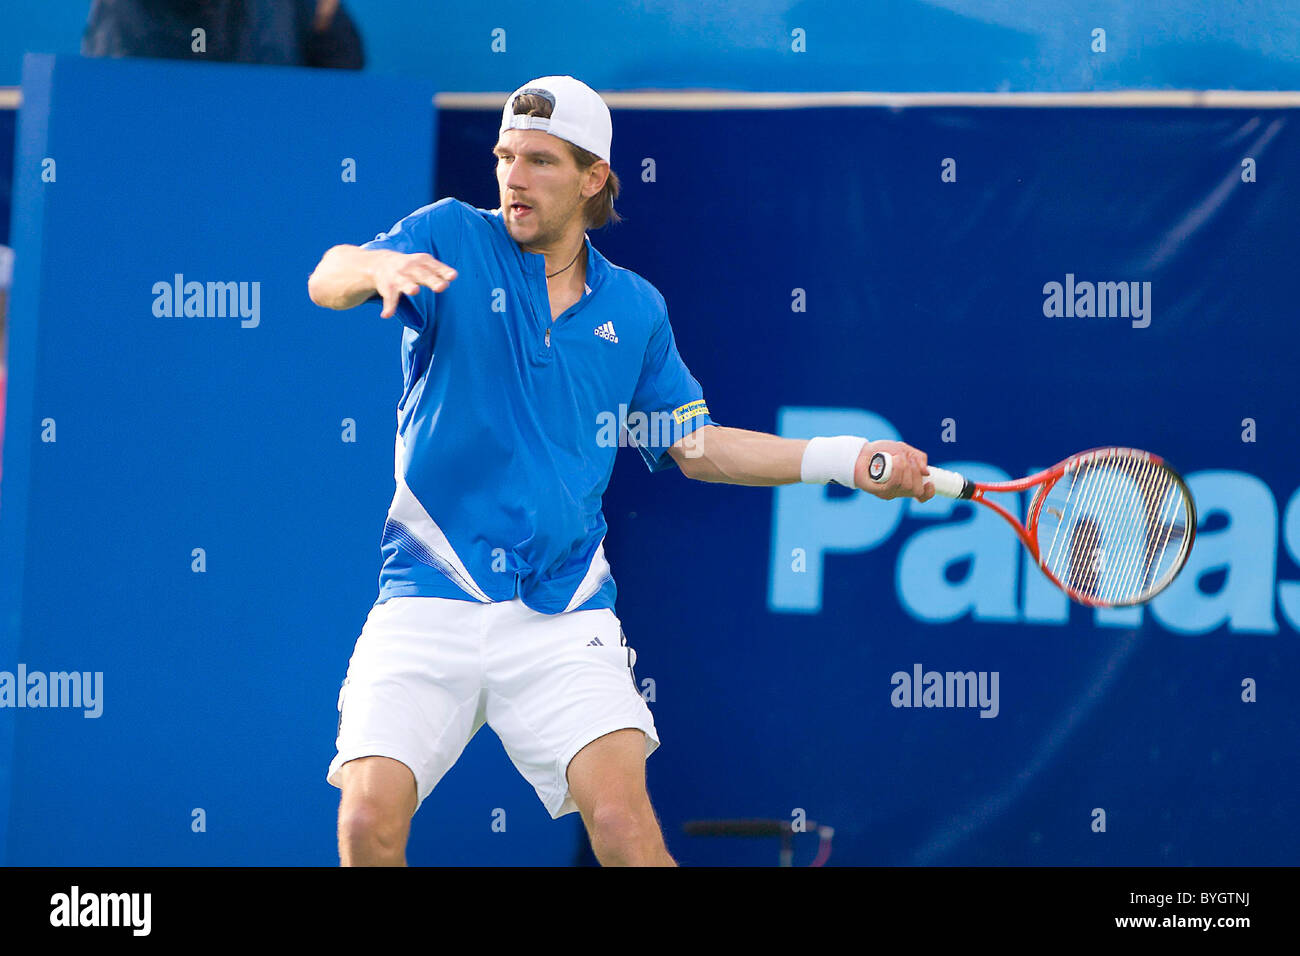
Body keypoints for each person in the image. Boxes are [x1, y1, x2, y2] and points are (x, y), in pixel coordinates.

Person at [307, 75, 935, 867]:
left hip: (563, 609)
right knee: (367, 827)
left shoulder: (634, 310)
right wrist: (374, 272)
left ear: (593, 177)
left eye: (539, 160)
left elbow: (697, 449)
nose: (512, 177)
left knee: (624, 826)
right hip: (428, 593)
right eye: (505, 156)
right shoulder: (449, 239)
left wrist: (846, 458)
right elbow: (327, 274)